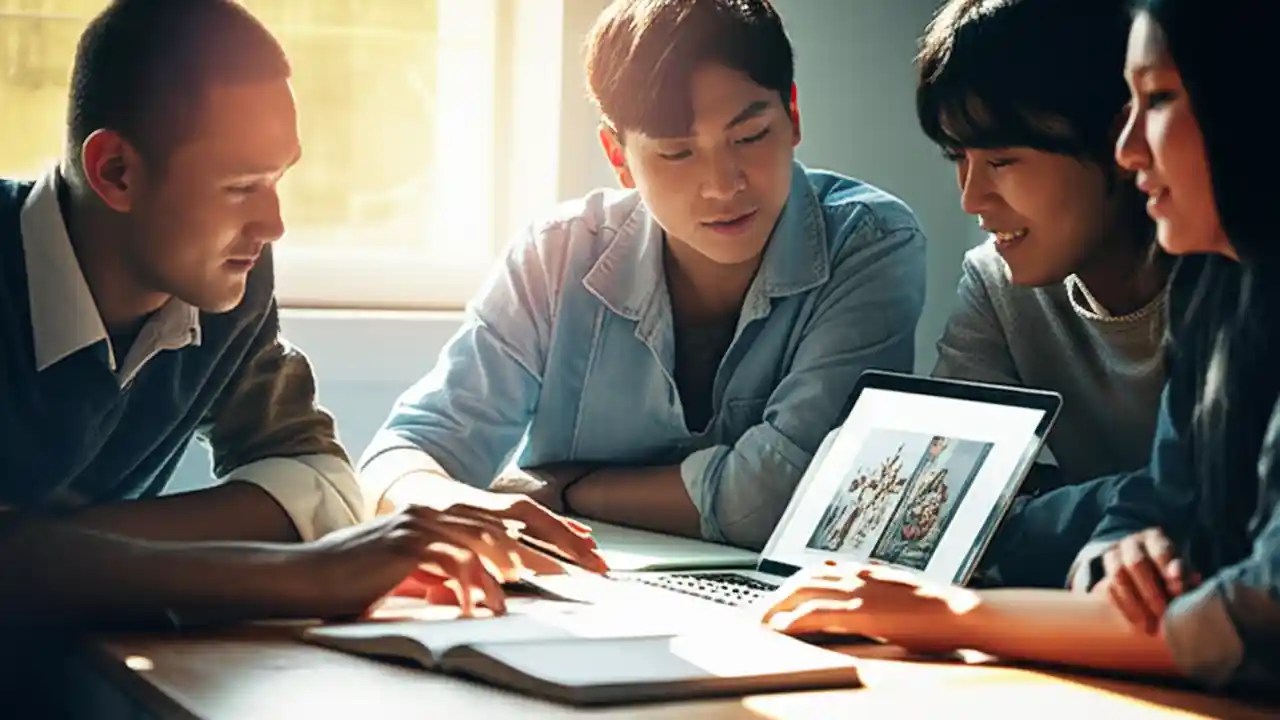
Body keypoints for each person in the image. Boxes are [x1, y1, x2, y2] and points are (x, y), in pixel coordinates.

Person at [0, 0, 569, 635]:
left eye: (279, 179)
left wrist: (48, 546)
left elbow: (316, 477)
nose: (273, 225)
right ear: (116, 171)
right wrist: (297, 574)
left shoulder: (225, 290)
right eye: (242, 186)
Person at [762, 0, 1280, 693]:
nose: (973, 196)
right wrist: (1113, 555)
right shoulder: (1227, 288)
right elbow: (966, 510)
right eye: (959, 158)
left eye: (1155, 100)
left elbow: (1253, 605)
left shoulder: (1206, 275)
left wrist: (959, 614)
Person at [359, 0, 927, 550]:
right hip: (573, 596)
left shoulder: (869, 242)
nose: (723, 185)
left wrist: (567, 489)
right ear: (617, 155)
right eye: (677, 154)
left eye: (750, 137)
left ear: (794, 115)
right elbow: (402, 454)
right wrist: (452, 502)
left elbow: (787, 492)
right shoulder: (557, 256)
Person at [920, 0, 1169, 587]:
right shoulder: (996, 282)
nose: (971, 197)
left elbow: (1226, 501)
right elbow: (941, 507)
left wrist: (1034, 515)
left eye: (1002, 160)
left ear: (1117, 139)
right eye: (959, 157)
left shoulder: (1228, 283)